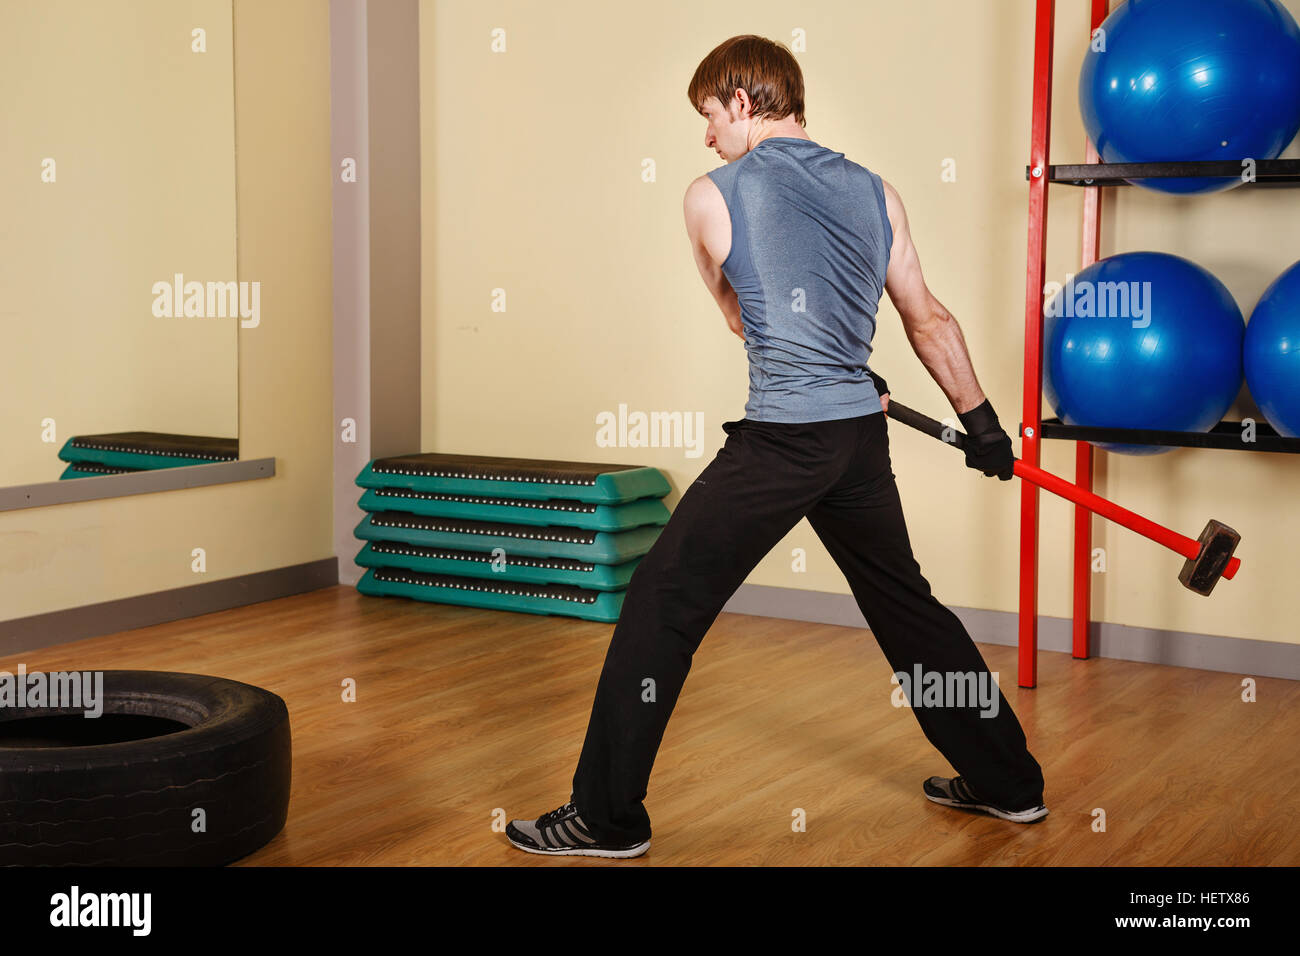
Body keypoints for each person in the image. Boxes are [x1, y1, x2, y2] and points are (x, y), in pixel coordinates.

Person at [506, 34, 1046, 859]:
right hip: (857, 440)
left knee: (660, 606)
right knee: (909, 610)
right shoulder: (878, 193)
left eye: (710, 115)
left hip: (784, 442)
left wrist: (825, 362)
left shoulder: (709, 195)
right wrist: (982, 425)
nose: (707, 135)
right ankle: (1009, 785)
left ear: (745, 101)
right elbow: (926, 317)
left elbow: (746, 319)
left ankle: (605, 819)